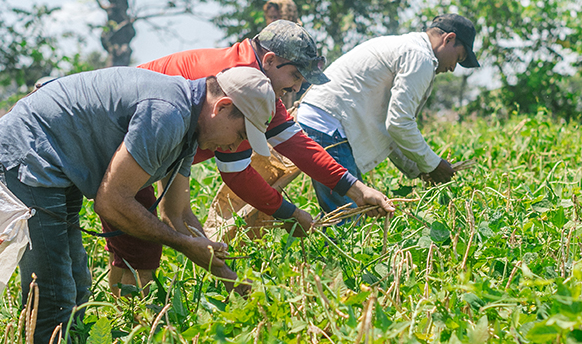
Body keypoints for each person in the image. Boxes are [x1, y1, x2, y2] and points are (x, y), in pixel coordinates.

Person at [0, 66, 275, 344]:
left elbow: (178, 213)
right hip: (26, 154)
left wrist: (230, 278)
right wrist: (184, 245)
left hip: (57, 163)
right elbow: (111, 203)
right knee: (53, 293)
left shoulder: (189, 123)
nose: (234, 146)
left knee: (77, 280)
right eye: (240, 134)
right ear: (223, 107)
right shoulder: (169, 114)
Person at [103, 20, 395, 295]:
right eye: (295, 75)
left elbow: (296, 144)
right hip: (128, 138)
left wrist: (358, 190)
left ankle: (122, 313)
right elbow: (237, 173)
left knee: (158, 229)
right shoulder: (240, 90)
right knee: (139, 246)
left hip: (160, 148)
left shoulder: (257, 87)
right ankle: (129, 322)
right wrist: (290, 214)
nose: (296, 87)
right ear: (268, 61)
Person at [298, 14, 480, 216]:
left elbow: (392, 129)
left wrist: (421, 169)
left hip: (325, 121)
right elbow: (399, 124)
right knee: (346, 219)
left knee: (349, 213)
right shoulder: (420, 58)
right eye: (459, 58)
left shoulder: (409, 48)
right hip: (329, 126)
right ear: (449, 39)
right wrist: (434, 165)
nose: (453, 67)